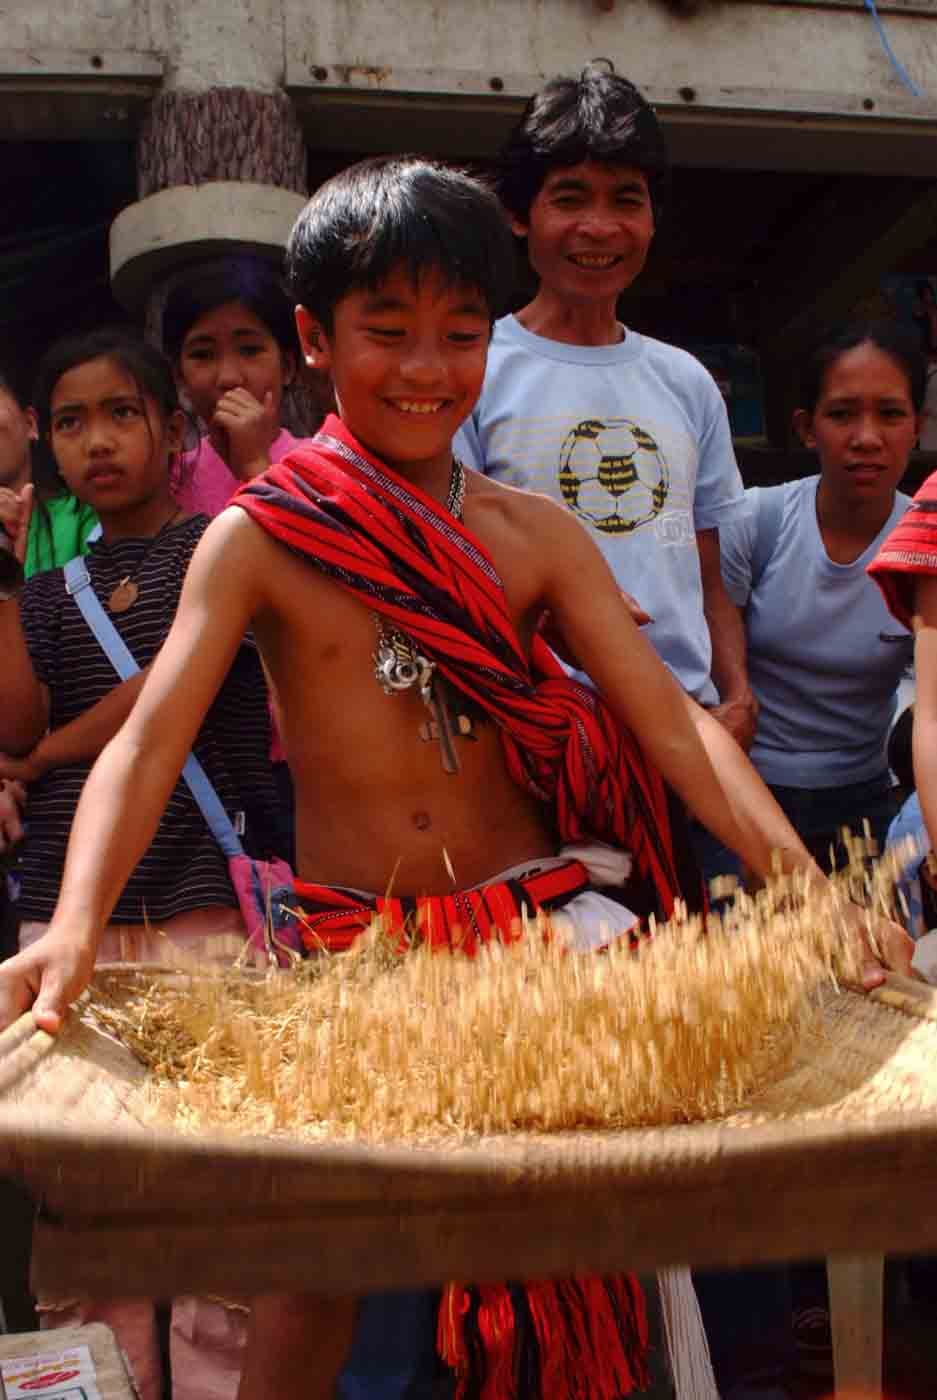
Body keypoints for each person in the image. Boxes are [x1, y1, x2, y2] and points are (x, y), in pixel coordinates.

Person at [0, 159, 910, 1400]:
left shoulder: (535, 533)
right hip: (357, 960)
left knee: (592, 1251)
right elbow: (146, 744)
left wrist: (811, 889)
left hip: (535, 952)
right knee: (311, 1275)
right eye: (387, 333)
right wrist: (73, 929)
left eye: (460, 335)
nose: (427, 368)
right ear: (315, 341)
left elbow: (677, 731)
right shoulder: (257, 536)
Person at [0, 328, 278, 1400]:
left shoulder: (226, 545)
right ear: (42, 442)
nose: (97, 441)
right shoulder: (45, 589)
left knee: (220, 1184)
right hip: (70, 912)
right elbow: (13, 717)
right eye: (69, 422)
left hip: (204, 895)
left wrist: (52, 752)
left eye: (122, 413)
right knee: (88, 1198)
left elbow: (177, 682)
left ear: (174, 430)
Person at [455, 61, 758, 750]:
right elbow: (462, 564)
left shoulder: (685, 380)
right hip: (542, 731)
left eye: (625, 199)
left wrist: (736, 692)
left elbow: (706, 572)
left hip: (691, 728)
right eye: (569, 198)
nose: (599, 227)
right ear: (517, 213)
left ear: (652, 219)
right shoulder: (472, 371)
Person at [720, 322, 920, 869]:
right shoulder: (755, 522)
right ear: (807, 428)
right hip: (746, 795)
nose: (866, 437)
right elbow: (712, 655)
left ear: (917, 429)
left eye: (890, 414)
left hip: (866, 802)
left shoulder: (922, 548)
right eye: (841, 414)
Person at [163, 256, 305, 517]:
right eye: (203, 355)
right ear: (180, 377)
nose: (228, 378)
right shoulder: (168, 479)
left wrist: (255, 466)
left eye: (250, 350)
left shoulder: (321, 466)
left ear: (287, 367)